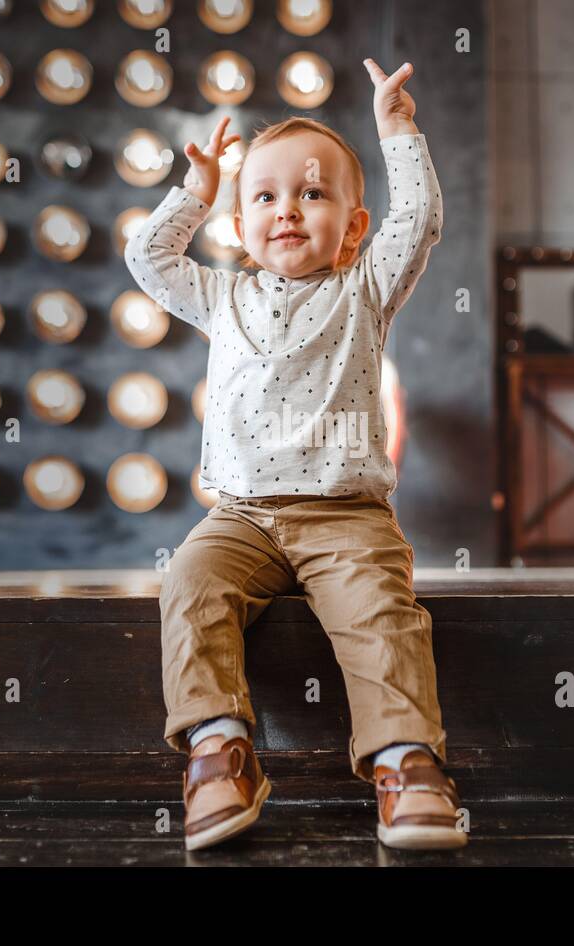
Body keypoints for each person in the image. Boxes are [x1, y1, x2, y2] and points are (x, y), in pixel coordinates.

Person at [124, 58, 464, 852]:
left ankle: (405, 763)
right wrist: (196, 191)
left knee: (381, 617)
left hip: (346, 518)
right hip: (240, 517)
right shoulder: (221, 296)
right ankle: (218, 749)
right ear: (239, 227)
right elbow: (147, 259)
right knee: (189, 584)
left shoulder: (366, 289)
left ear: (351, 226)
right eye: (266, 196)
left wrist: (397, 130)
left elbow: (418, 218)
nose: (288, 209)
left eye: (313, 193)